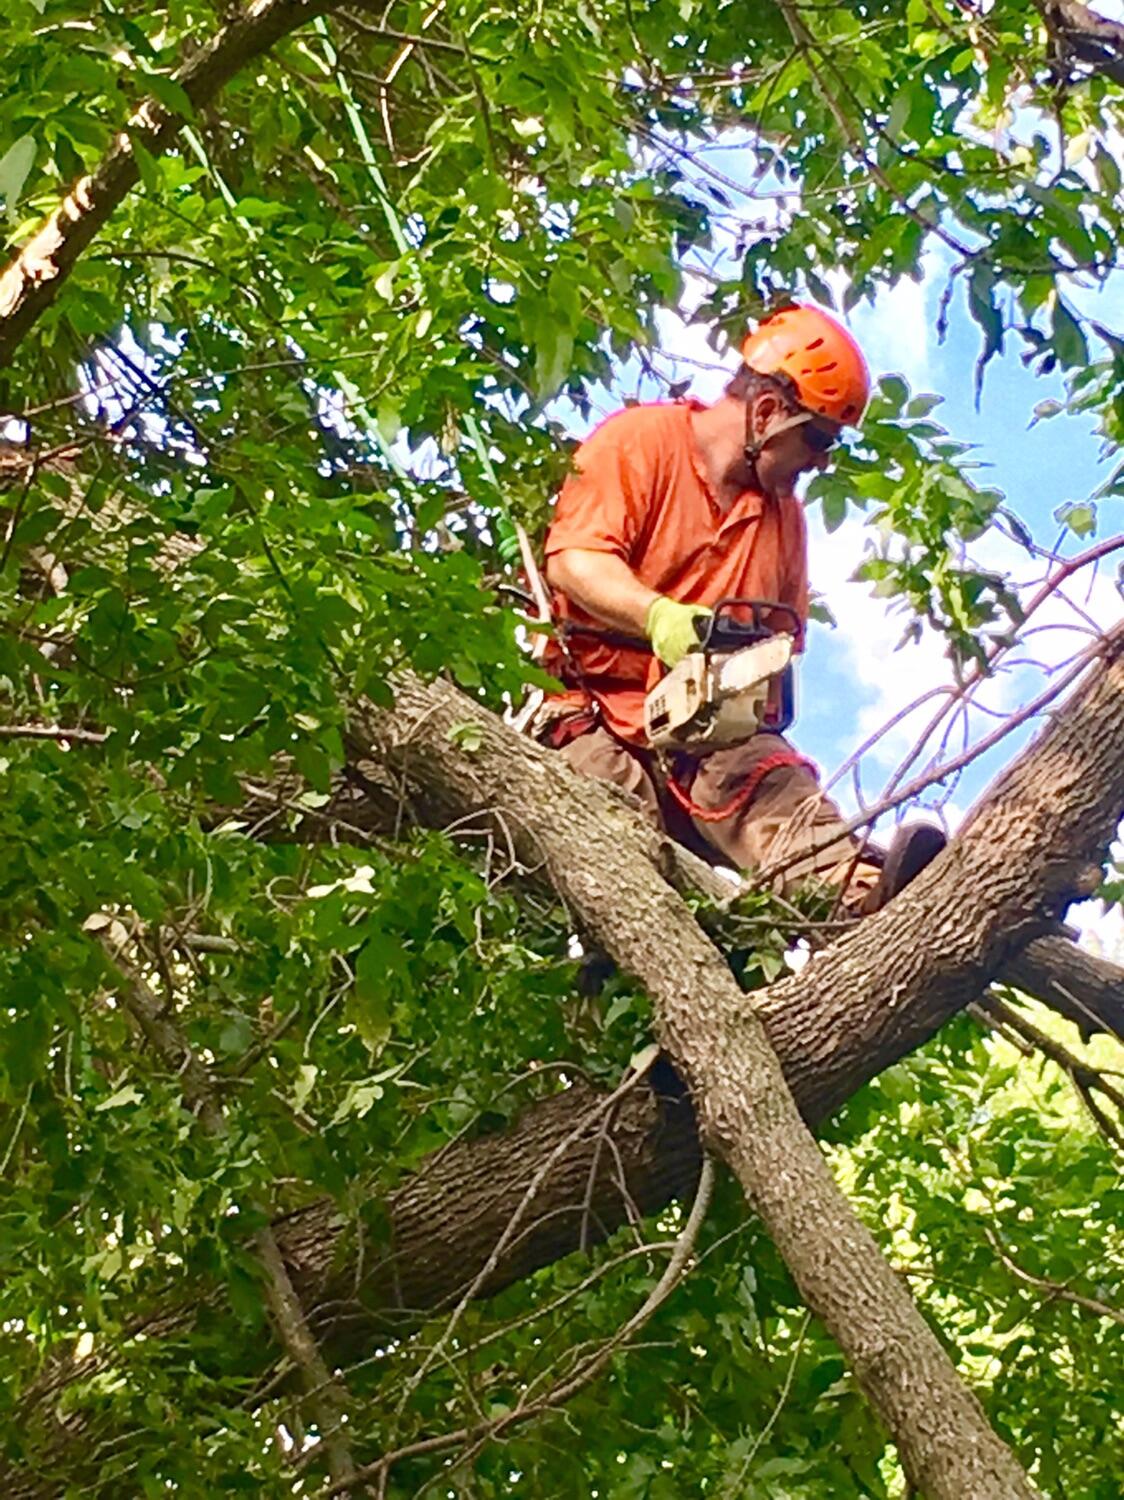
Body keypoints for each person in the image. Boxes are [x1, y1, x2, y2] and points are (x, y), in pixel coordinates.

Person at [537, 303, 945, 912]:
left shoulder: (785, 522)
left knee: (770, 781)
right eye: (817, 438)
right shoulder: (640, 442)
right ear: (767, 411)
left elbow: (777, 660)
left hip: (704, 738)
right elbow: (574, 560)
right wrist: (658, 617)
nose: (821, 461)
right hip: (592, 715)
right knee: (620, 838)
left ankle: (855, 896)